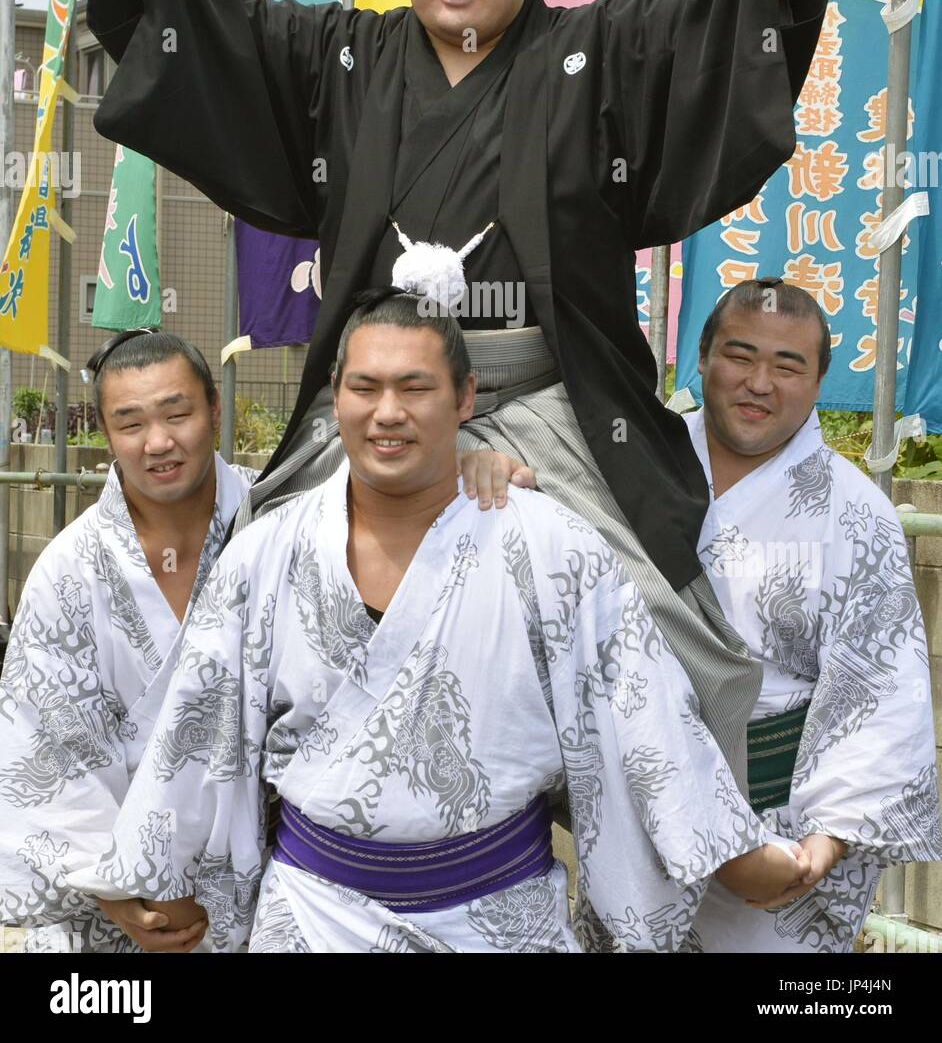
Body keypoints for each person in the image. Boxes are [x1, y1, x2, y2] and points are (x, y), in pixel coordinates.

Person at [55, 0, 863, 782]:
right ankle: (248, 823)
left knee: (644, 605)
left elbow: (711, 24)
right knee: (255, 577)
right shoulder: (341, 57)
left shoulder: (597, 49)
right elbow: (224, 30)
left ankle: (695, 833)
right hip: (381, 399)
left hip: (545, 397)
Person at [67, 292, 811, 954]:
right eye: (365, 386)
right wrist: (147, 863)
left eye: (415, 387)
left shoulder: (552, 546)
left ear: (465, 397)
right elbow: (198, 728)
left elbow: (644, 713)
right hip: (314, 916)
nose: (388, 411)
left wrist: (733, 850)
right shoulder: (266, 553)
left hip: (501, 914)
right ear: (335, 396)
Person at [679, 279, 942, 953]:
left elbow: (880, 690)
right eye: (740, 356)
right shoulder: (638, 466)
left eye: (788, 365)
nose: (759, 382)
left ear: (819, 378)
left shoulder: (858, 514)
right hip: (645, 794)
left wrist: (825, 841)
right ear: (702, 358)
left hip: (781, 818)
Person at [0, 331, 254, 952]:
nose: (158, 442)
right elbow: (44, 746)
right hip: (118, 897)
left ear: (214, 409)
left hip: (267, 878)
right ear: (107, 435)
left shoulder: (281, 517)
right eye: (130, 423)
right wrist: (120, 890)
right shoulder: (71, 568)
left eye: (177, 413)